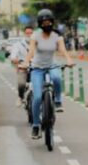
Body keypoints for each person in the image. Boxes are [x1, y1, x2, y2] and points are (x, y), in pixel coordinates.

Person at [22, 9, 75, 140]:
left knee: (56, 77)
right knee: (38, 97)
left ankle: (57, 101)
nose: (47, 24)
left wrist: (68, 59)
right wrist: (25, 62)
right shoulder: (35, 36)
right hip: (37, 68)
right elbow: (31, 51)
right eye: (44, 22)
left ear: (52, 22)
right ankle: (35, 125)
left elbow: (62, 50)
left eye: (49, 22)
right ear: (40, 24)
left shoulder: (57, 36)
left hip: (52, 65)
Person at [10, 26, 34, 106]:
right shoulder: (18, 44)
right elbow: (13, 57)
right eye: (27, 33)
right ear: (24, 34)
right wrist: (19, 61)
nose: (29, 35)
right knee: (21, 83)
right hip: (23, 67)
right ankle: (20, 97)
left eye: (31, 33)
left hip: (36, 67)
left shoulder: (37, 44)